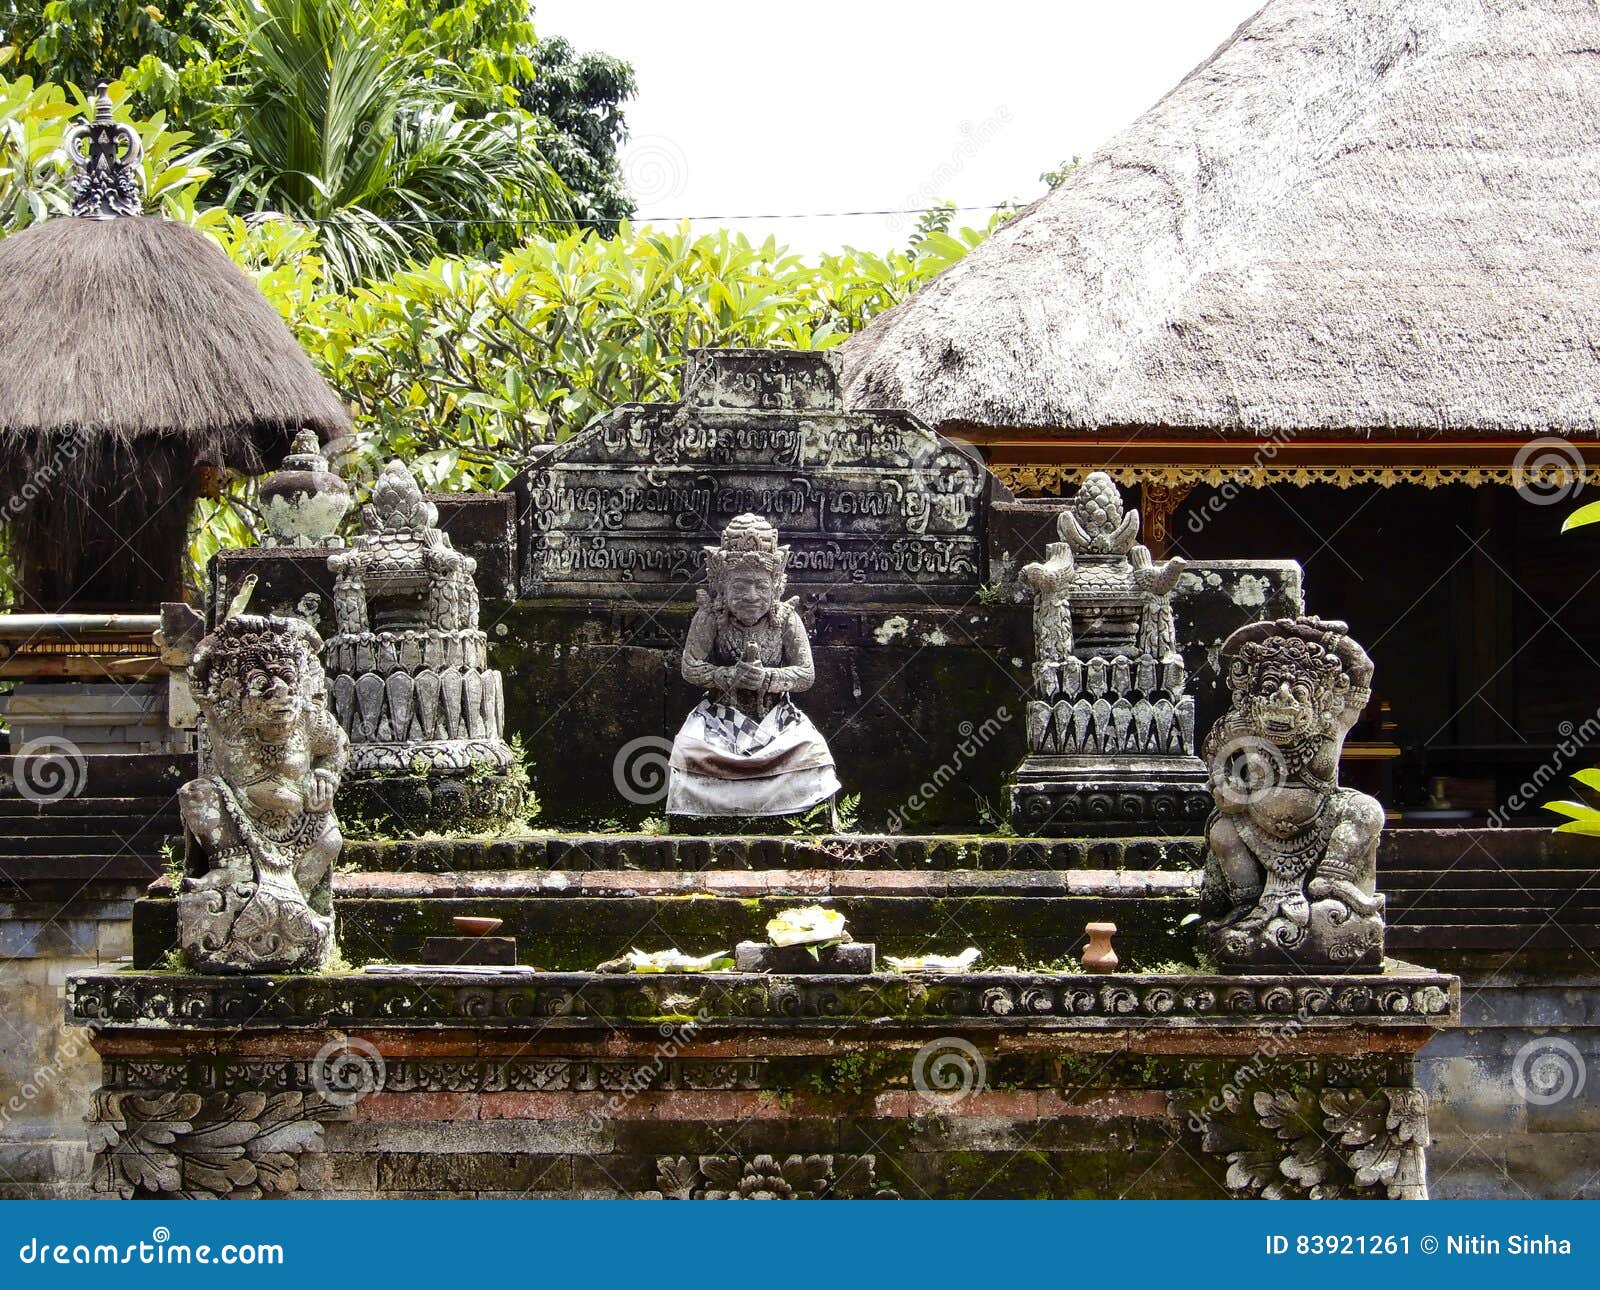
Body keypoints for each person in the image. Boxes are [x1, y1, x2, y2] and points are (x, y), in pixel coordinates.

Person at [667, 513, 840, 818]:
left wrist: (766, 679)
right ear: (721, 584)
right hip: (721, 716)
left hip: (776, 715)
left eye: (761, 587)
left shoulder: (786, 619)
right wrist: (727, 675)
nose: (751, 596)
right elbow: (690, 667)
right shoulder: (710, 618)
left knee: (812, 751)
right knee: (688, 752)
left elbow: (806, 674)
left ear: (776, 587)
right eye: (740, 586)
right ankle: (700, 815)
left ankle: (804, 813)